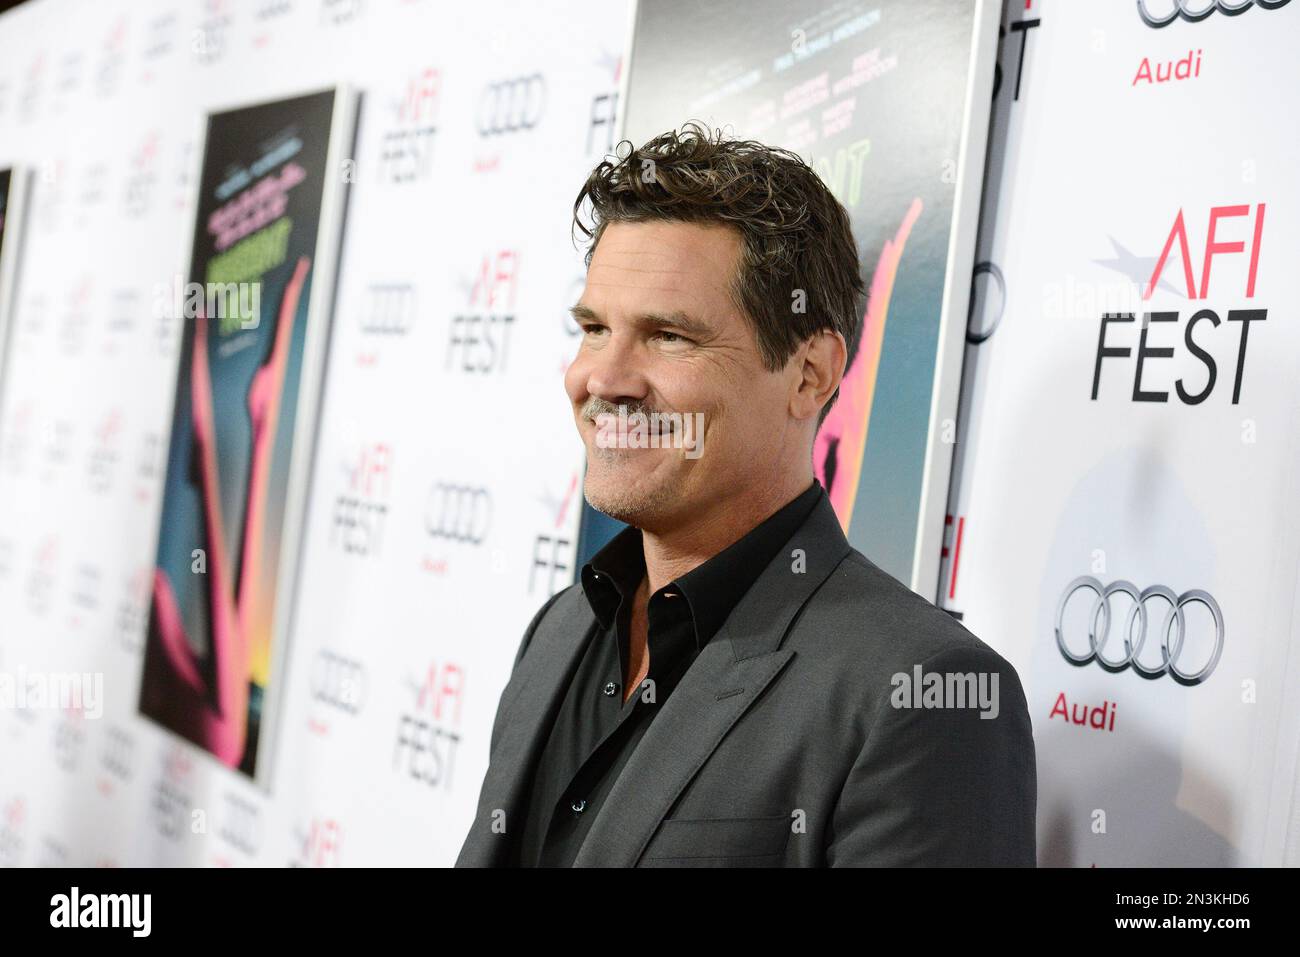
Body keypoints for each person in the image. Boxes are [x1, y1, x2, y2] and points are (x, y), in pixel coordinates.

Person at [456, 122, 1036, 867]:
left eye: (669, 336)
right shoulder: (561, 628)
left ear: (810, 375)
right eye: (595, 328)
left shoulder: (923, 696)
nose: (603, 379)